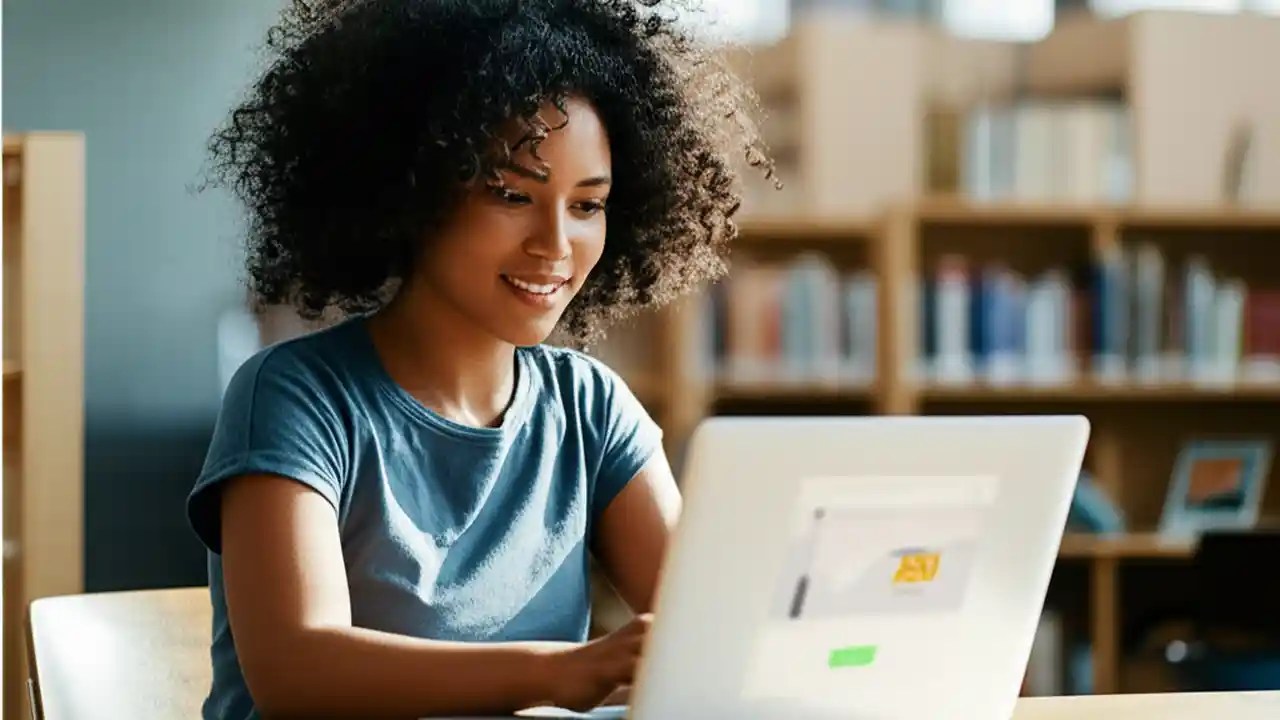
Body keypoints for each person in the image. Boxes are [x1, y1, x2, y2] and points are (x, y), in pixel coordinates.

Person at [187, 1, 774, 718]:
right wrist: (560, 673)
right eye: (510, 194)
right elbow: (297, 670)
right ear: (413, 192)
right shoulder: (294, 397)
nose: (556, 244)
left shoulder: (592, 409)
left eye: (588, 205)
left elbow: (711, 639)